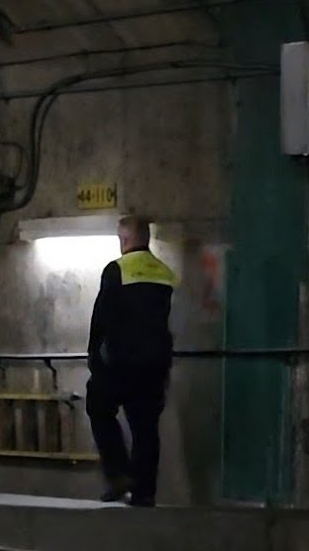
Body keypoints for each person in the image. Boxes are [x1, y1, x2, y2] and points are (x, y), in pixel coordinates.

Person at [86, 215, 177, 507]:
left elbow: (101, 320)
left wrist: (95, 360)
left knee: (99, 408)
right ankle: (144, 492)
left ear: (125, 239)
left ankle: (118, 474)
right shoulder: (164, 273)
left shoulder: (117, 270)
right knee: (146, 427)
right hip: (155, 365)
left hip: (120, 363)